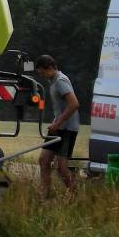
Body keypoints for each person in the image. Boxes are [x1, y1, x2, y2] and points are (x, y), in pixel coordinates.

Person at [36, 54, 80, 197]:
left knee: (61, 167)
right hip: (58, 127)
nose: (42, 76)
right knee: (44, 160)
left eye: (42, 72)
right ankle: (45, 196)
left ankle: (74, 196)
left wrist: (59, 122)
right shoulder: (53, 80)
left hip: (67, 129)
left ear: (49, 68)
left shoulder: (61, 81)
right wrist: (56, 123)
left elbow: (74, 104)